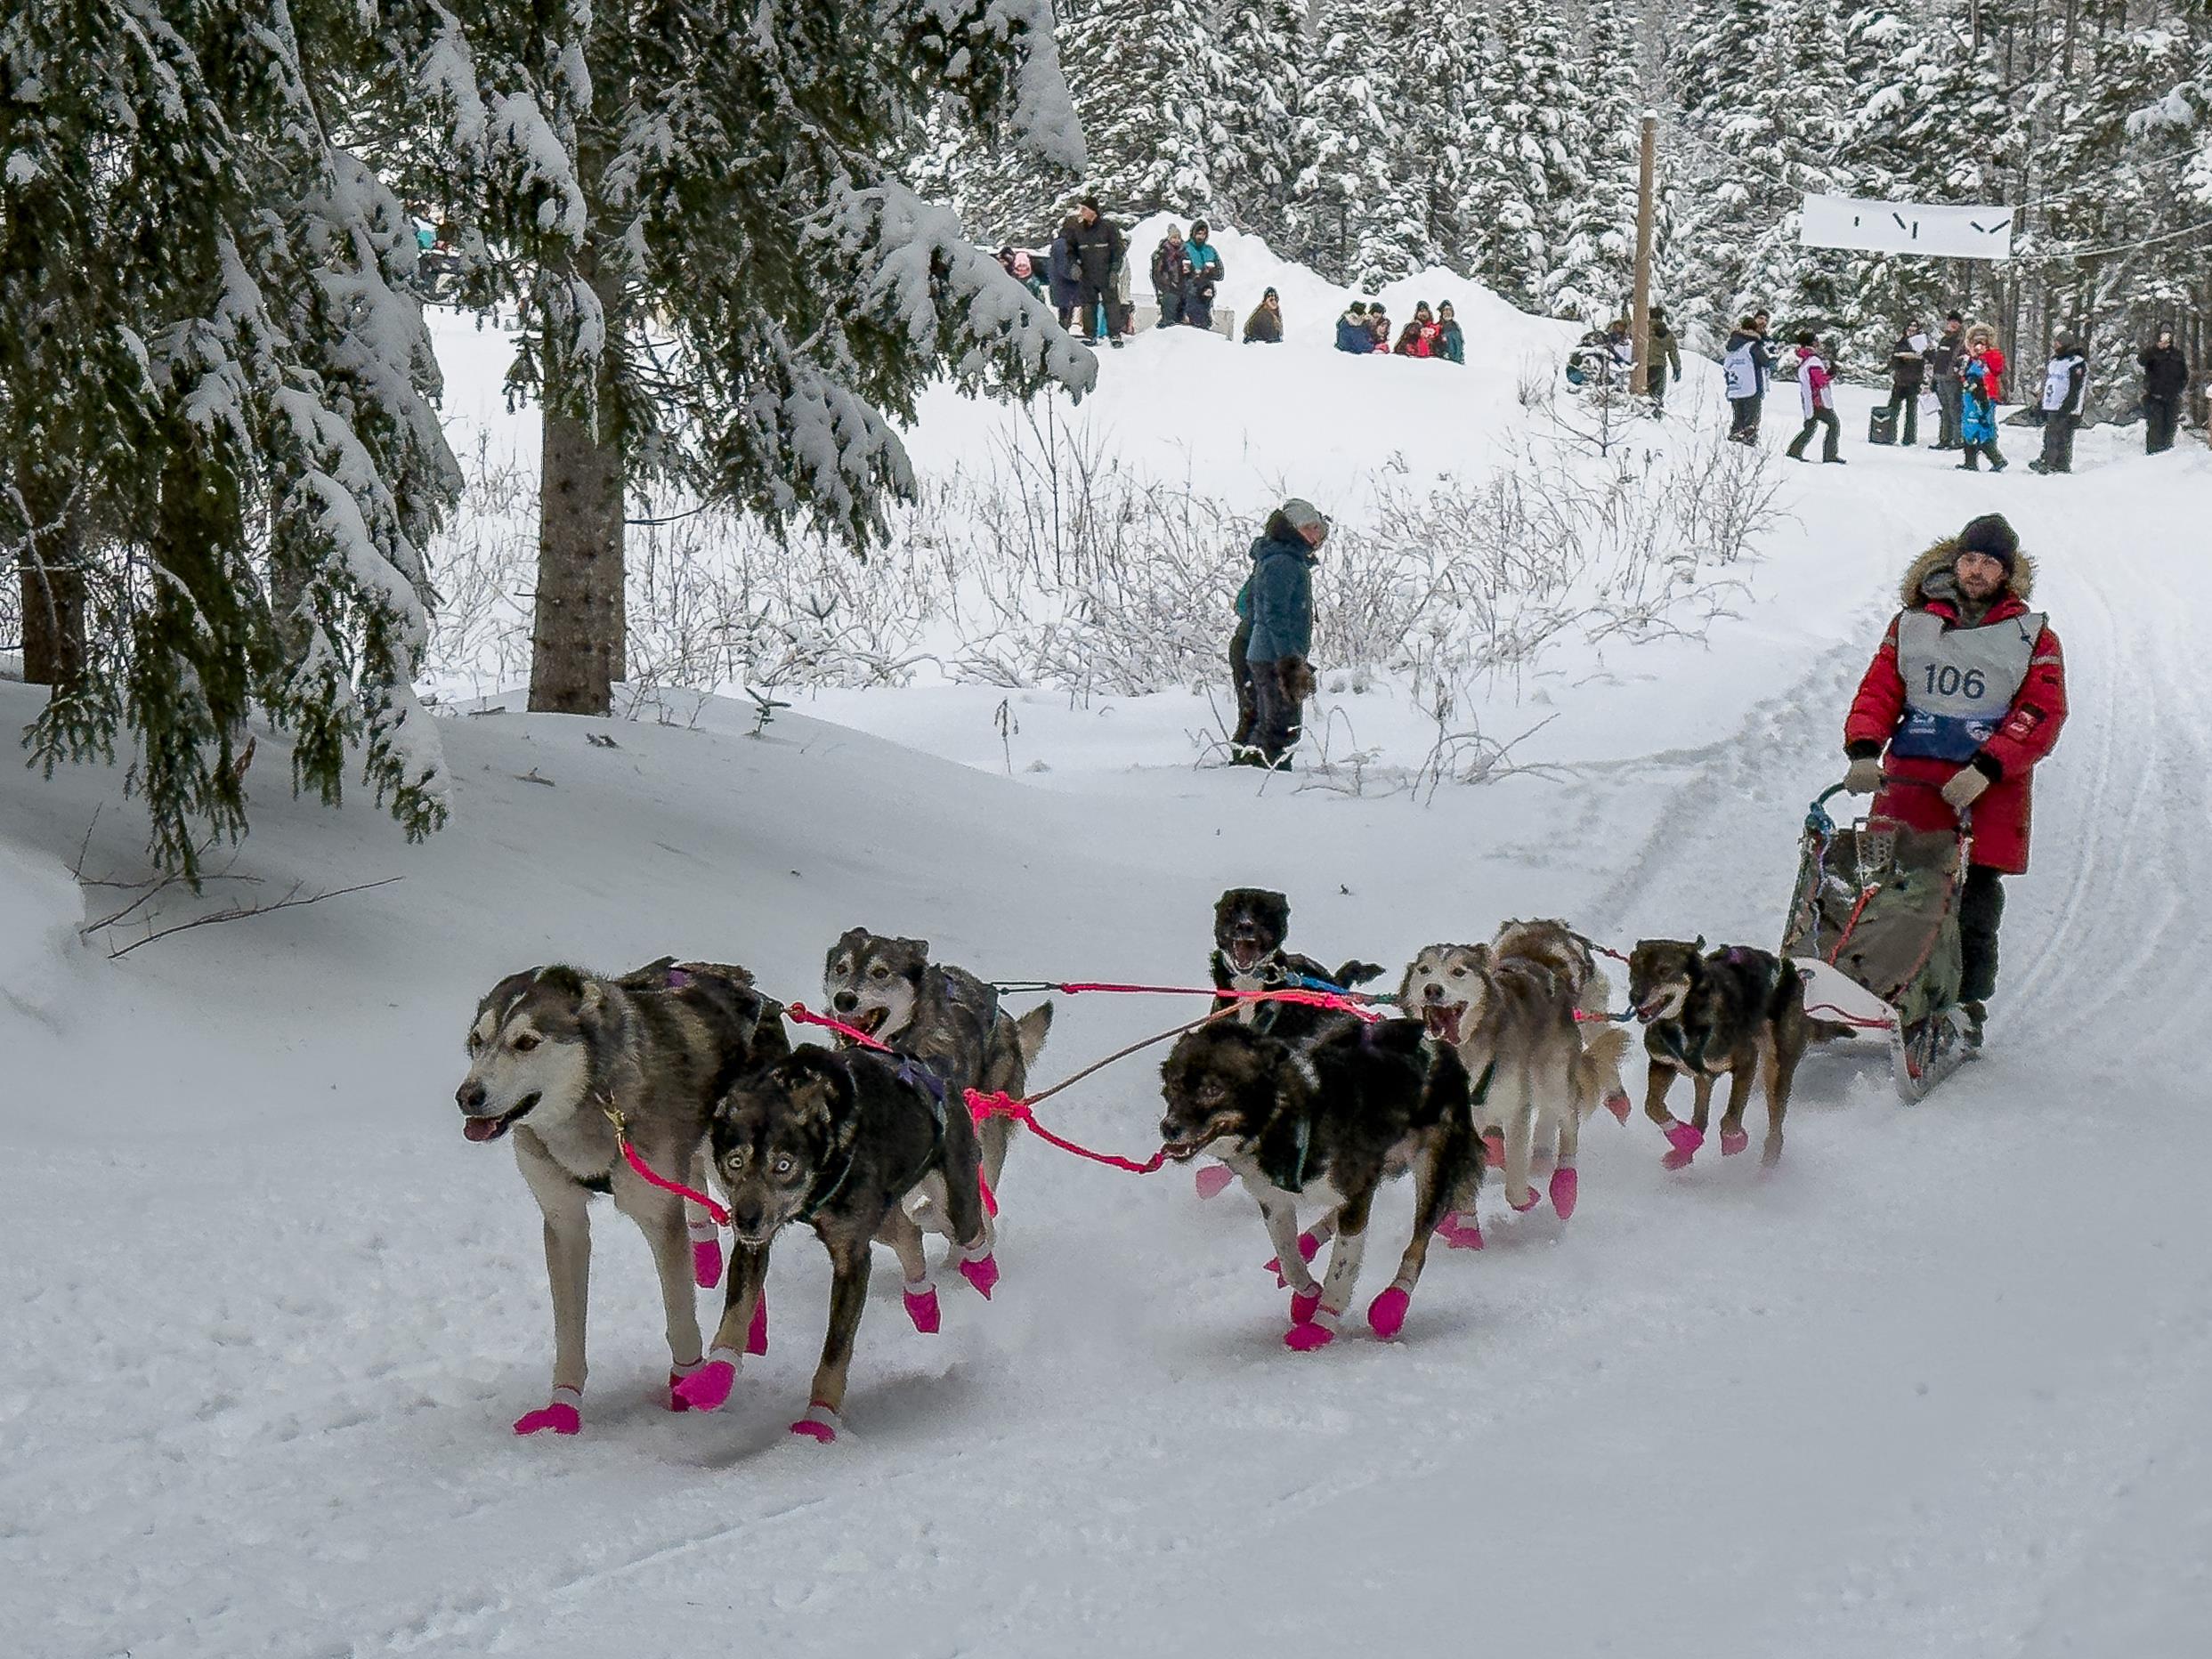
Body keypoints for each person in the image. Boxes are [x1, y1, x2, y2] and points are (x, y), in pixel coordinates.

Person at [1842, 513, 2066, 1048]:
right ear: (1954, 560)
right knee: (1890, 891)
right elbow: (1880, 690)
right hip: (1909, 785)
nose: (1977, 570)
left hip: (1985, 794)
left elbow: (2040, 710)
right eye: (1970, 558)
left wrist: (1989, 767)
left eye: (1990, 562)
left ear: (2006, 573)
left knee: (1972, 903)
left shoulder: (2032, 636)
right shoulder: (1912, 624)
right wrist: (1864, 748)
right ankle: (1879, 987)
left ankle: (1965, 1001)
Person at [1230, 498, 1329, 770]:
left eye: (1318, 529)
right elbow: (1272, 614)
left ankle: (1245, 773)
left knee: (1264, 723)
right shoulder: (1283, 563)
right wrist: (1288, 660)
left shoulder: (1282, 559)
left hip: (1267, 652)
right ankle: (1264, 781)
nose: (1315, 535)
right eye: (1309, 528)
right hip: (1272, 656)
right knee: (1280, 728)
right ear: (1293, 528)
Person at [1062, 197, 1126, 346]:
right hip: (1087, 275)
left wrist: (1114, 271)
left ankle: (1115, 335)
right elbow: (1070, 251)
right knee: (1088, 305)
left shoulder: (1108, 228)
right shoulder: (1077, 231)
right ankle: (1090, 334)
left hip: (1106, 273)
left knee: (1111, 304)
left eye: (1084, 209)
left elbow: (1118, 250)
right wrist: (1074, 266)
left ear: (1093, 211)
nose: (1081, 213)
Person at [2029, 334, 2087, 474]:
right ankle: (2053, 461)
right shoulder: (2054, 362)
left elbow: (2075, 387)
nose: (2055, 345)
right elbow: (2048, 383)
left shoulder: (2076, 362)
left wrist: (2068, 405)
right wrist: (2041, 404)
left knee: (2060, 435)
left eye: (2058, 342)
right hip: (2051, 404)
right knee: (2051, 434)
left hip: (2066, 406)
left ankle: (2053, 462)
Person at [1785, 331, 1843, 463]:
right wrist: (1832, 374)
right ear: (1812, 343)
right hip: (1818, 401)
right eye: (1816, 340)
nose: (1818, 343)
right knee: (1834, 425)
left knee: (1810, 428)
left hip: (1809, 401)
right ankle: (1830, 455)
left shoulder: (1806, 360)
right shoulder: (1814, 360)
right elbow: (1820, 381)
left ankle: (1794, 451)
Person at [1957, 337, 2007, 472]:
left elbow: (1979, 384)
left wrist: (1981, 401)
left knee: (1976, 431)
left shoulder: (1980, 364)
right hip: (1971, 401)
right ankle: (1971, 461)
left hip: (1977, 401)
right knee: (1973, 430)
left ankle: (1995, 459)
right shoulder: (1971, 361)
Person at [2139, 328, 2188, 454]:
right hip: (2154, 397)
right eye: (2163, 335)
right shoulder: (2153, 354)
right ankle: (2153, 454)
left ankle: (2167, 456)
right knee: (2155, 427)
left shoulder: (2177, 355)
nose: (2166, 338)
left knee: (2170, 428)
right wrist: (2155, 349)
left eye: (2168, 335)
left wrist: (2178, 389)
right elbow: (2141, 360)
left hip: (2172, 398)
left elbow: (2184, 375)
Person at [1884, 321, 1928, 446]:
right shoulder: (1901, 343)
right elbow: (1894, 361)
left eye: (1915, 327)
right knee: (1893, 410)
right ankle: (1889, 435)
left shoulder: (1922, 344)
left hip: (1914, 382)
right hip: (1900, 382)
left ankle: (1909, 438)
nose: (1912, 330)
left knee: (1911, 412)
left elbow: (1928, 358)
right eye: (1910, 327)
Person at [1723, 315, 1764, 442]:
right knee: (1752, 417)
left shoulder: (1732, 346)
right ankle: (1749, 437)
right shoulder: (1753, 346)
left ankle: (1735, 434)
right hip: (1751, 385)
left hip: (1735, 386)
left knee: (1738, 416)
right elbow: (1765, 361)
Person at [1927, 312, 1966, 449]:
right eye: (1951, 321)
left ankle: (1958, 439)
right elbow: (1938, 359)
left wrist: (1958, 371)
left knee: (1955, 409)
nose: (1953, 324)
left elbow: (1963, 360)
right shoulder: (1944, 340)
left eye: (1956, 322)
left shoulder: (1962, 341)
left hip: (1953, 380)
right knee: (1943, 410)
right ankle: (1945, 438)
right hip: (1940, 378)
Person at [1182, 221, 1225, 331]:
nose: (1201, 237)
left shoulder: (1210, 250)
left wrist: (1210, 272)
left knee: (1204, 320)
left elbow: (1220, 273)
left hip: (1206, 291)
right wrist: (1191, 272)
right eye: (1199, 234)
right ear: (1193, 233)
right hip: (1189, 289)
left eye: (1203, 234)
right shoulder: (1185, 248)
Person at [1645, 304, 1683, 411]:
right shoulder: (1665, 332)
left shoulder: (1641, 327)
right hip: (1658, 365)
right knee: (1657, 393)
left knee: (1644, 391)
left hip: (1642, 365)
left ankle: (1642, 415)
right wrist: (1677, 368)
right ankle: (1656, 415)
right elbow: (1673, 351)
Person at [1149, 225, 1188, 328]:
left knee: (1180, 316)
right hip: (1168, 288)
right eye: (1173, 238)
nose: (1176, 240)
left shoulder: (1184, 253)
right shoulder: (1161, 253)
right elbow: (1157, 273)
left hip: (1182, 287)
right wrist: (1167, 284)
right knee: (1169, 315)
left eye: (1178, 238)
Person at [1047, 231, 1082, 329]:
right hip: (1066, 284)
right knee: (1066, 310)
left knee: (1064, 310)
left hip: (1059, 283)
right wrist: (1075, 275)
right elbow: (1065, 266)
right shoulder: (1064, 245)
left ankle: (1064, 329)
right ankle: (1063, 332)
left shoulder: (1058, 244)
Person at [1965, 323, 2005, 402]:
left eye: (1982, 341)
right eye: (1976, 341)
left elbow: (1997, 370)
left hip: (1989, 394)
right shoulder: (1967, 359)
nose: (1979, 345)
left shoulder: (1994, 354)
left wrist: (1984, 356)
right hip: (1970, 395)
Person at [1435, 300, 1464, 364]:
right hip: (1443, 362)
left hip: (1456, 361)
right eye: (1445, 310)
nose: (1447, 312)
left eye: (1449, 310)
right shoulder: (1438, 327)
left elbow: (1459, 344)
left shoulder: (1455, 326)